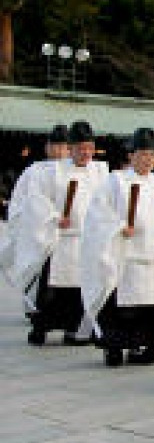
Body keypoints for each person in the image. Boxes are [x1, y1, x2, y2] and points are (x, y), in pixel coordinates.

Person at [80, 128, 154, 366]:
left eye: (152, 155)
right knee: (122, 306)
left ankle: (148, 347)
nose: (148, 160)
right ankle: (114, 347)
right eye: (143, 154)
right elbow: (98, 214)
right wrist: (117, 227)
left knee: (151, 307)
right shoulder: (116, 181)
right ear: (131, 155)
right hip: (126, 256)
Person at [15, 121, 109, 346]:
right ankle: (41, 327)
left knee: (81, 288)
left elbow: (107, 203)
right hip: (60, 239)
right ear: (71, 148)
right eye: (80, 148)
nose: (86, 153)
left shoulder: (100, 171)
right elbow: (36, 200)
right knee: (52, 289)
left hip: (86, 240)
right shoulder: (52, 171)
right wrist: (55, 217)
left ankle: (75, 329)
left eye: (89, 148)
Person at [0, 124, 70, 320]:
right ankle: (36, 311)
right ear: (47, 148)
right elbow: (23, 200)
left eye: (63, 146)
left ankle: (64, 316)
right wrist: (46, 217)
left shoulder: (78, 171)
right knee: (38, 271)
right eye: (54, 145)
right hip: (40, 230)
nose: (59, 150)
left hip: (69, 234)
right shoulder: (34, 171)